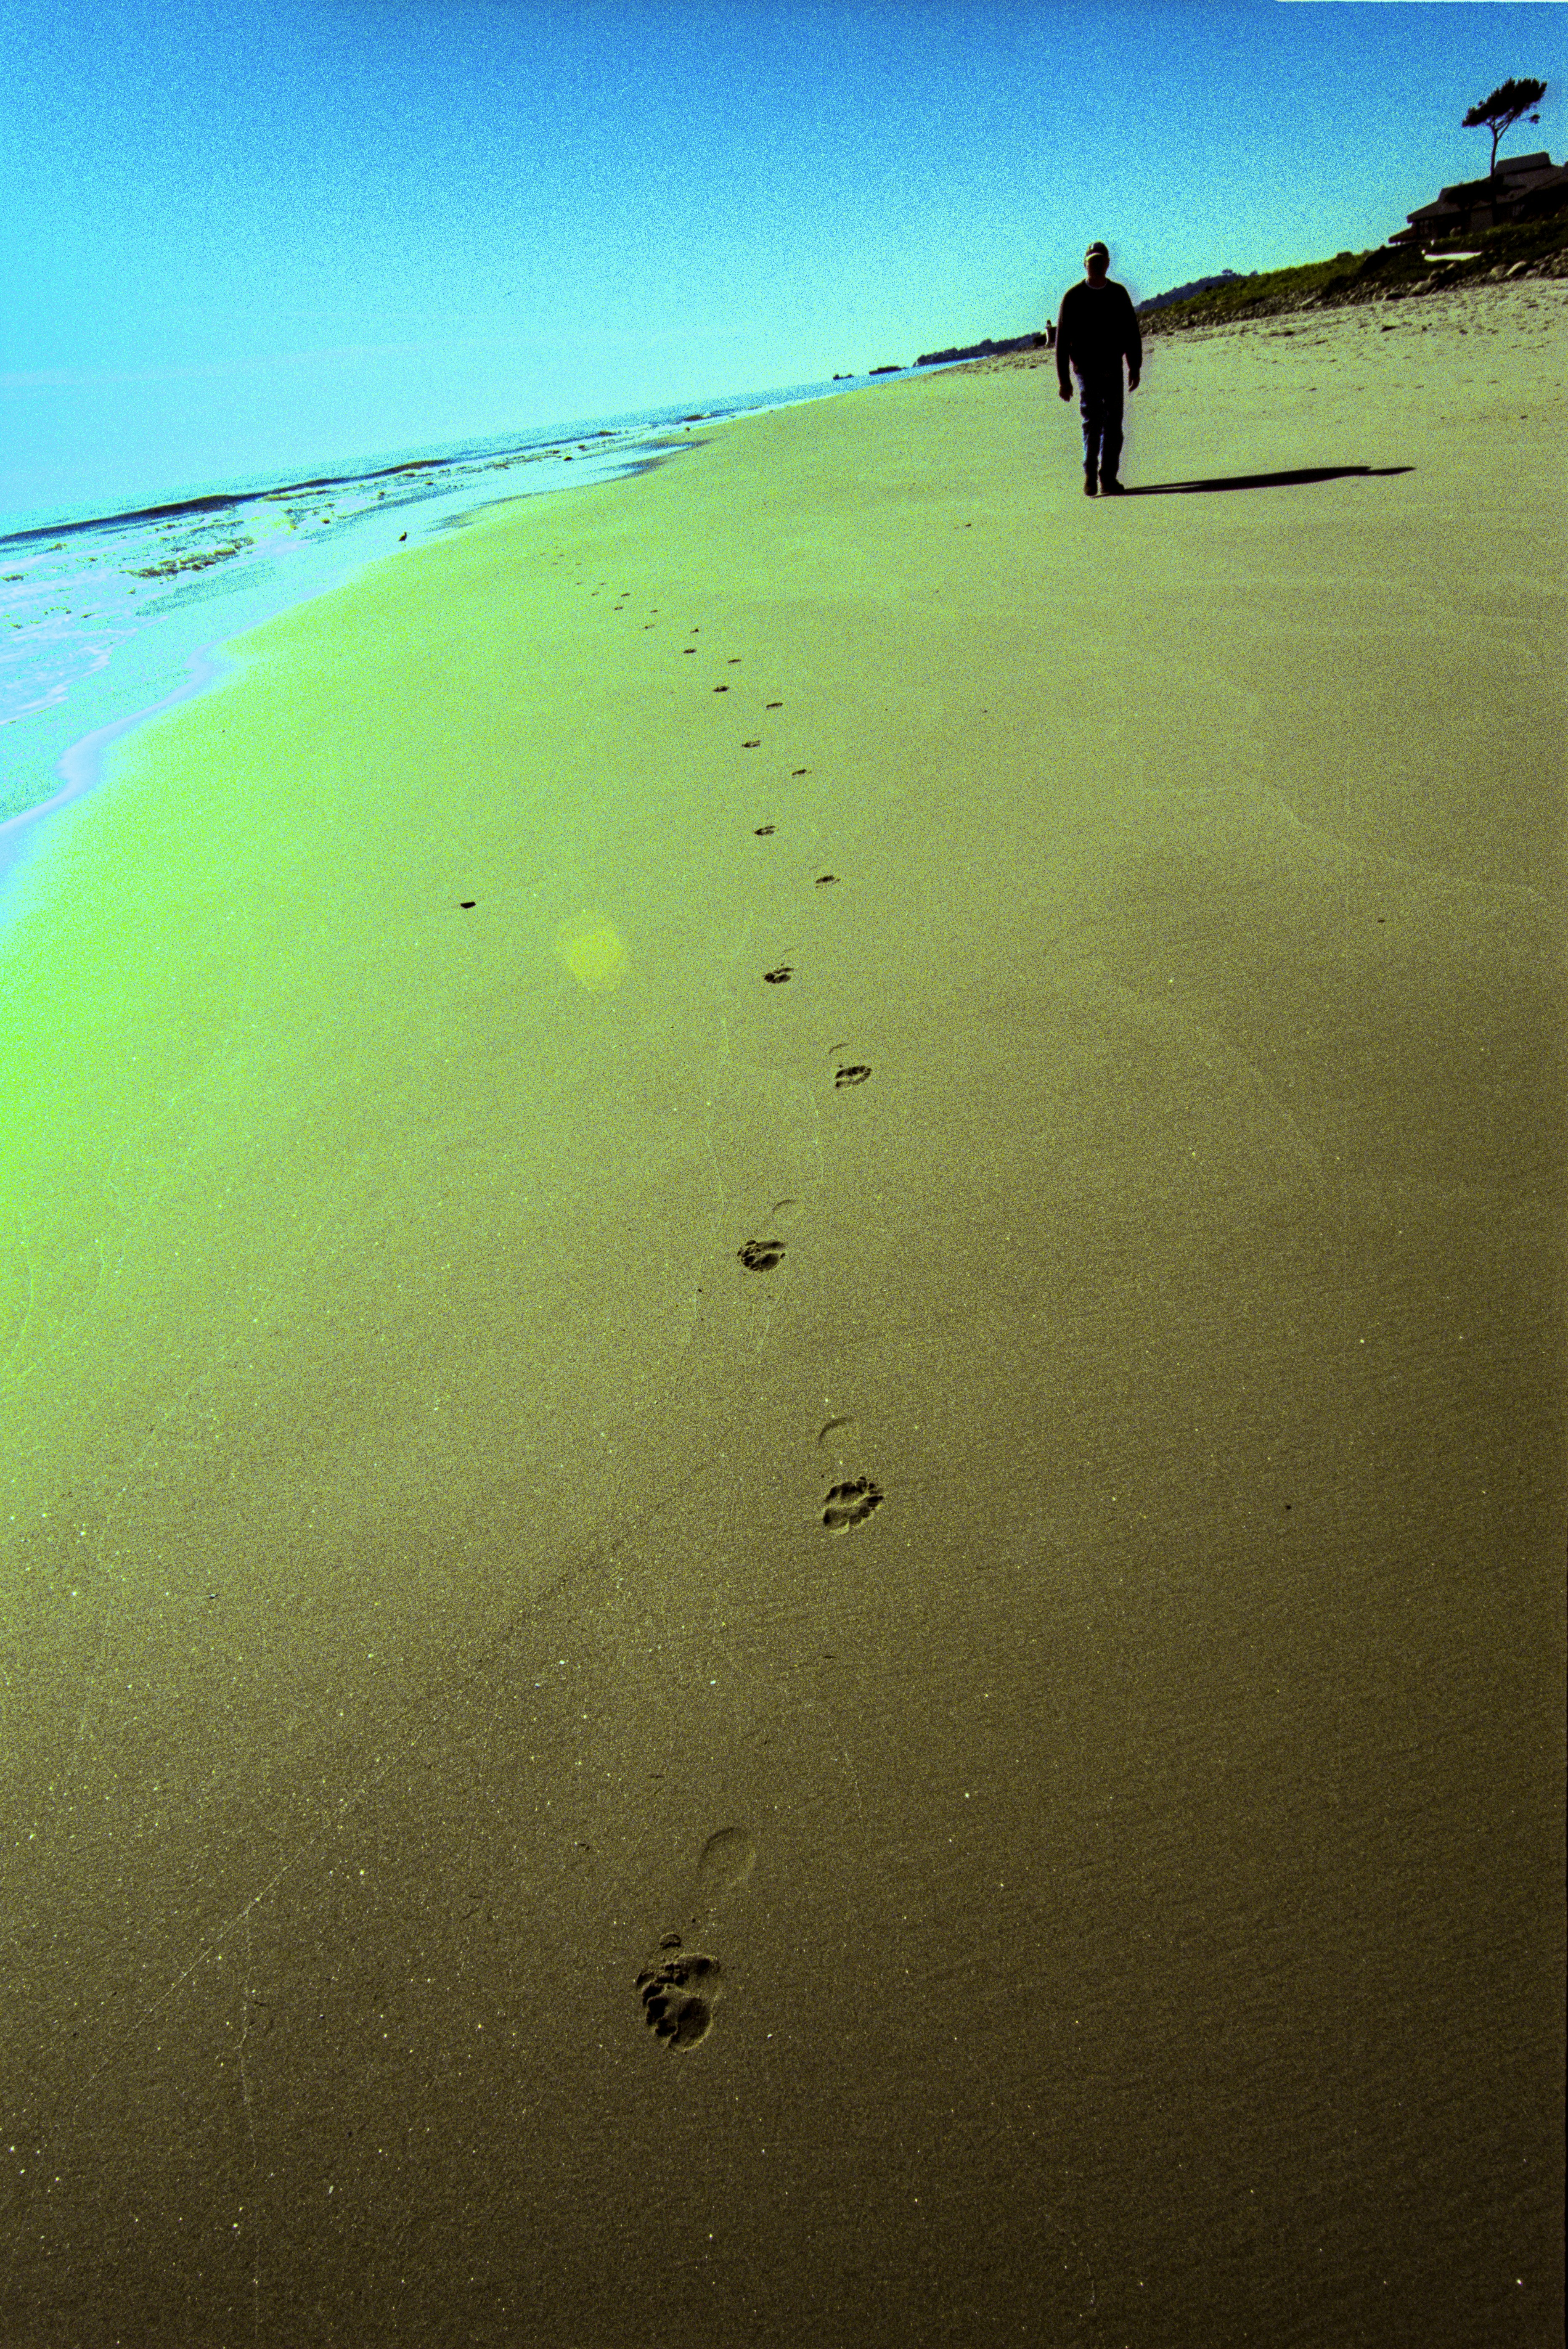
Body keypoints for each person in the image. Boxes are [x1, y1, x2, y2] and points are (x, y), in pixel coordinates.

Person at [1056, 243, 1142, 496]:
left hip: (1113, 367)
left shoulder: (1118, 294)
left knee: (1114, 424)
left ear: (1107, 263)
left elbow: (1131, 332)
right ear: (1085, 264)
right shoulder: (1073, 297)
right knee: (1093, 422)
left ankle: (1108, 477)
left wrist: (1134, 366)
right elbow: (1061, 341)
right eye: (1092, 261)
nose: (1096, 265)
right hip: (1086, 370)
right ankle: (1090, 475)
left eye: (1101, 261)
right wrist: (1064, 380)